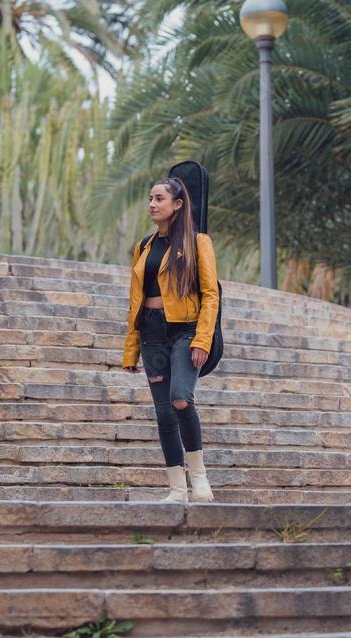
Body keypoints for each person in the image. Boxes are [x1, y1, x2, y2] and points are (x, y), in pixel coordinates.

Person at [122, 177, 220, 503]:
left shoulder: (198, 242)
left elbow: (210, 294)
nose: (152, 204)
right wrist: (131, 350)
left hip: (186, 330)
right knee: (164, 413)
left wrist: (203, 339)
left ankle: (200, 478)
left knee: (181, 398)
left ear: (177, 204)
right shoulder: (144, 246)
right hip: (151, 332)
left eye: (159, 198)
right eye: (150, 198)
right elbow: (136, 300)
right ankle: (177, 489)